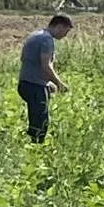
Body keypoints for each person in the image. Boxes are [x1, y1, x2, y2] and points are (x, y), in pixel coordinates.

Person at [17, 13, 73, 143]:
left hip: (26, 82)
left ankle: (32, 146)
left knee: (35, 118)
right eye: (66, 31)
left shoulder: (36, 35)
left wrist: (47, 82)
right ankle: (36, 148)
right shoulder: (46, 40)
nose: (65, 35)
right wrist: (59, 84)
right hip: (35, 86)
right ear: (59, 26)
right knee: (40, 122)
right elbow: (45, 65)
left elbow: (28, 61)